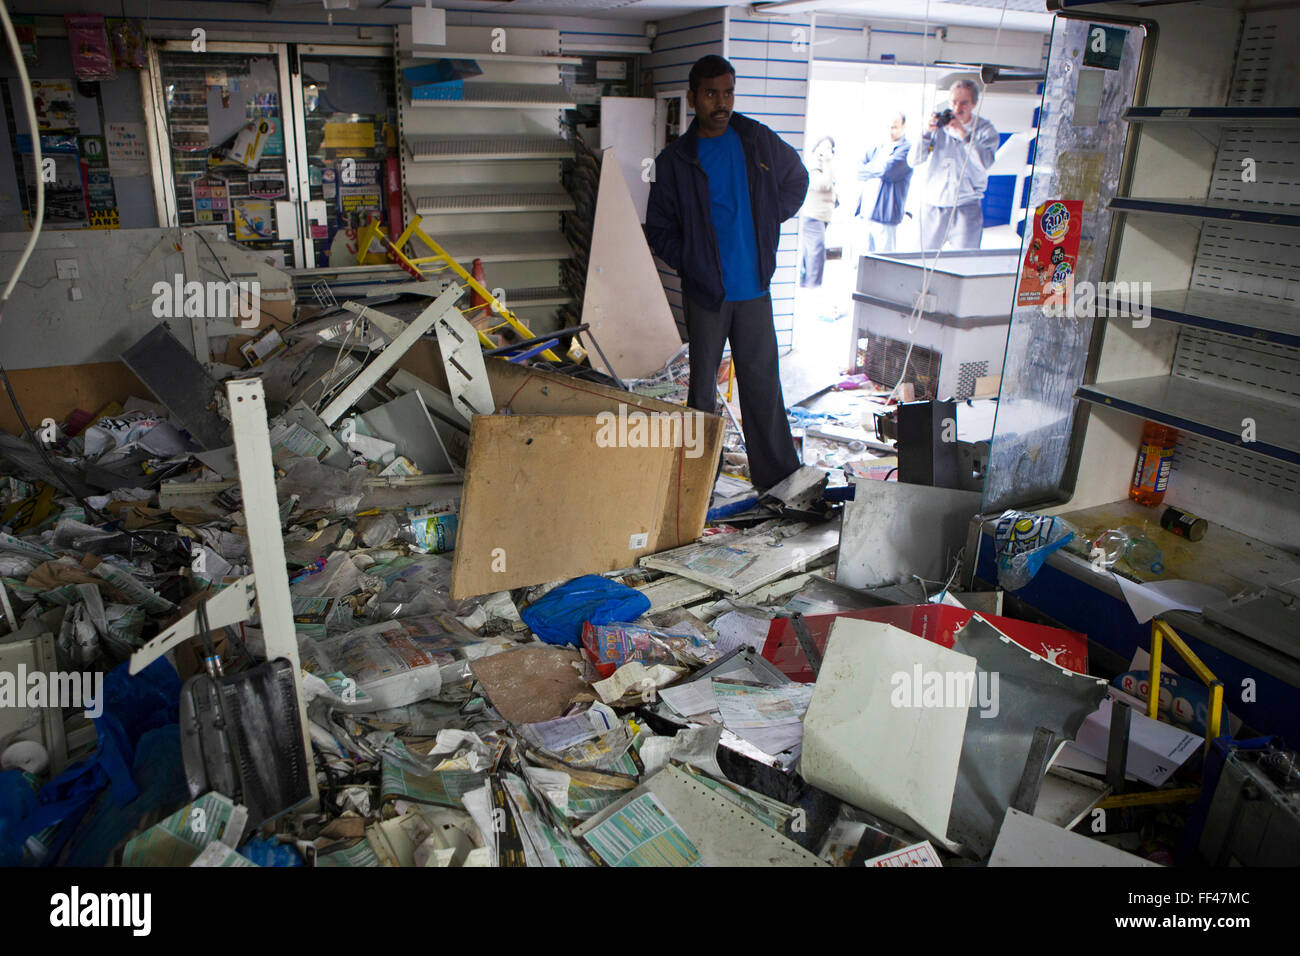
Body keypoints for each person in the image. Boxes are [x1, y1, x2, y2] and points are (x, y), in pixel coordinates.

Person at [644, 54, 808, 491]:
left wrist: (770, 218)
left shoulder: (755, 140)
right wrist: (692, 259)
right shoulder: (676, 159)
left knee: (763, 386)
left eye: (729, 92)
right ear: (694, 97)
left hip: (754, 289)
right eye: (712, 93)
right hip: (707, 294)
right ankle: (698, 480)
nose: (722, 102)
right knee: (701, 391)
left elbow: (797, 178)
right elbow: (657, 229)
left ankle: (777, 478)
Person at [909, 79, 999, 251]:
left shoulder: (986, 130)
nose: (957, 108)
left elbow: (985, 162)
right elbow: (913, 160)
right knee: (921, 260)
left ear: (973, 103)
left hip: (966, 207)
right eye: (954, 102)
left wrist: (964, 135)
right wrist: (926, 133)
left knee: (966, 261)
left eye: (964, 103)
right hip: (933, 206)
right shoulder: (939, 127)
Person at [856, 113, 912, 254]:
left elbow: (889, 170)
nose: (890, 131)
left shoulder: (907, 149)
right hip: (866, 212)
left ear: (903, 127)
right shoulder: (878, 147)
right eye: (887, 126)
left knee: (884, 259)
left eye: (894, 127)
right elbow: (858, 170)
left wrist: (872, 169)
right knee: (863, 261)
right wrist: (879, 168)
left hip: (886, 215)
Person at [799, 136, 837, 290]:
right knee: (815, 255)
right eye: (824, 147)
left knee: (812, 253)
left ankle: (809, 285)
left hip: (821, 217)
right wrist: (828, 163)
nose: (827, 151)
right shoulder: (814, 165)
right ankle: (812, 287)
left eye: (830, 148)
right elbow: (824, 186)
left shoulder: (826, 166)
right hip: (813, 217)